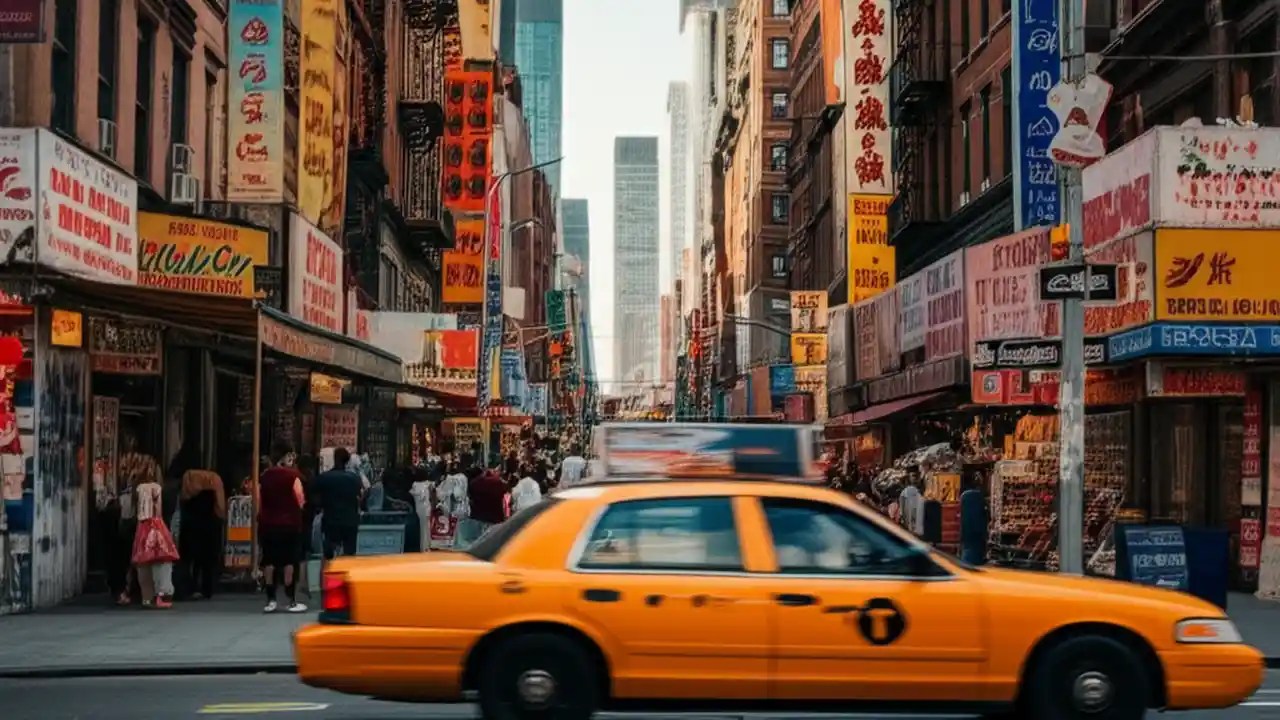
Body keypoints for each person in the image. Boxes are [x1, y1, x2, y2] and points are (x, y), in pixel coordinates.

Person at [257, 441, 307, 613]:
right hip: (290, 525)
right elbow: (300, 501)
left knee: (269, 561)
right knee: (289, 561)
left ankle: (270, 600)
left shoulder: (264, 477)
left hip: (269, 525)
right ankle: (291, 600)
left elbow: (259, 502)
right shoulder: (293, 477)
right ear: (286, 457)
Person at [175, 447, 226, 600]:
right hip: (210, 528)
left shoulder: (188, 481)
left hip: (191, 528)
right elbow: (220, 507)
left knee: (190, 560)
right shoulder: (214, 482)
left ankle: (190, 587)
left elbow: (183, 504)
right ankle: (207, 588)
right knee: (208, 561)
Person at [131, 459, 178, 608]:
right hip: (155, 525)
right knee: (161, 560)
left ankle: (146, 597)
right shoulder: (157, 487)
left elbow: (136, 509)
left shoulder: (138, 488)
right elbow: (158, 510)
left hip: (141, 525)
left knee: (143, 562)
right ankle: (161, 595)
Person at [313, 447, 365, 559]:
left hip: (331, 521)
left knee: (329, 555)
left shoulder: (324, 478)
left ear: (334, 458)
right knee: (349, 554)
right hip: (350, 521)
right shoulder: (354, 478)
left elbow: (315, 498)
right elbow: (362, 495)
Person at [458, 460, 508, 545]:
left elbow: (471, 498)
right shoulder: (498, 482)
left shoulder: (474, 484)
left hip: (478, 516)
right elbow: (504, 492)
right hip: (495, 516)